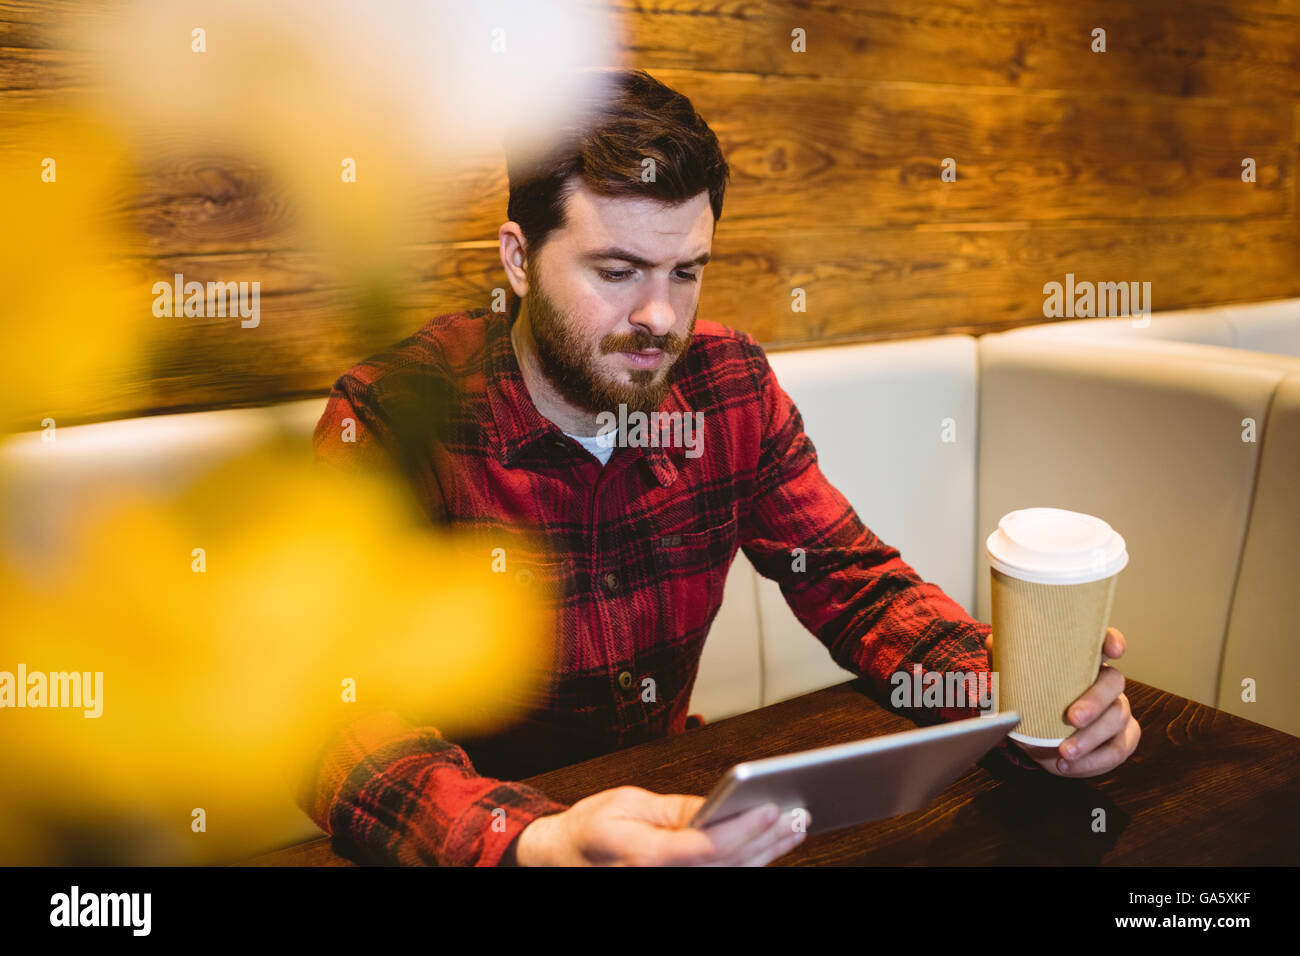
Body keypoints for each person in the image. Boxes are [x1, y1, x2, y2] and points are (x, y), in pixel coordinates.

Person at [304, 69, 1139, 867]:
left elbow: (856, 585)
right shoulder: (390, 421)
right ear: (519, 260)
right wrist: (533, 840)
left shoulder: (726, 384)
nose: (659, 316)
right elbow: (321, 714)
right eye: (618, 271)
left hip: (676, 816)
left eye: (687, 271)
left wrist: (1024, 709)